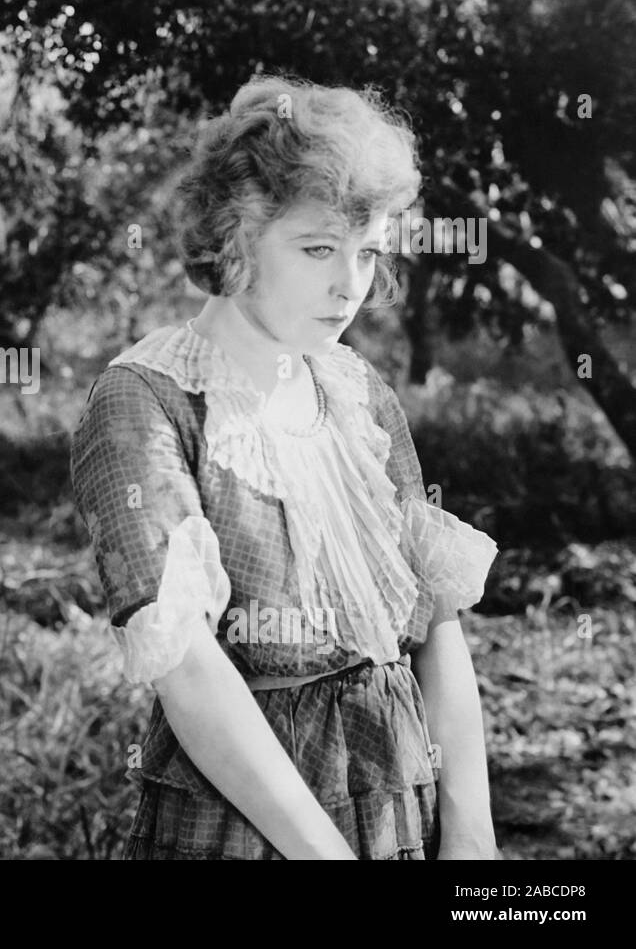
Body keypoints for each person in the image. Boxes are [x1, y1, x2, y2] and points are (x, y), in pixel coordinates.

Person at [70, 75, 502, 860]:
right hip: (246, 824)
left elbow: (438, 625)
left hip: (402, 801)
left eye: (367, 252)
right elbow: (190, 671)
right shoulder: (146, 400)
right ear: (235, 239)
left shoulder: (357, 391)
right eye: (317, 249)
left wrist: (471, 838)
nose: (350, 286)